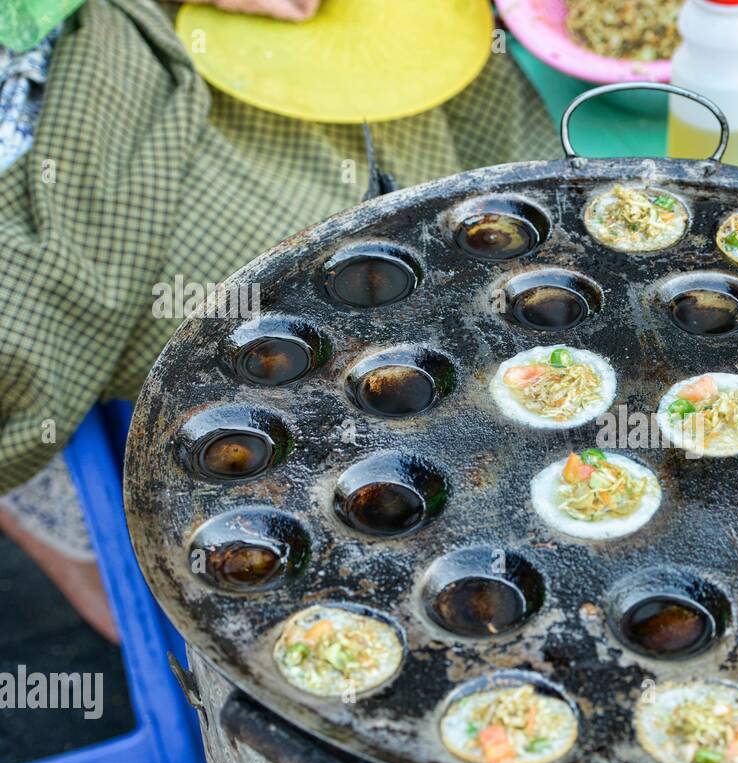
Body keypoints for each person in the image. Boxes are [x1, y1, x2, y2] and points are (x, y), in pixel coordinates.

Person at [0, 0, 560, 641]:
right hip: (49, 121)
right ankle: (64, 510)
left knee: (436, 151)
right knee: (281, 299)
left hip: (120, 27)